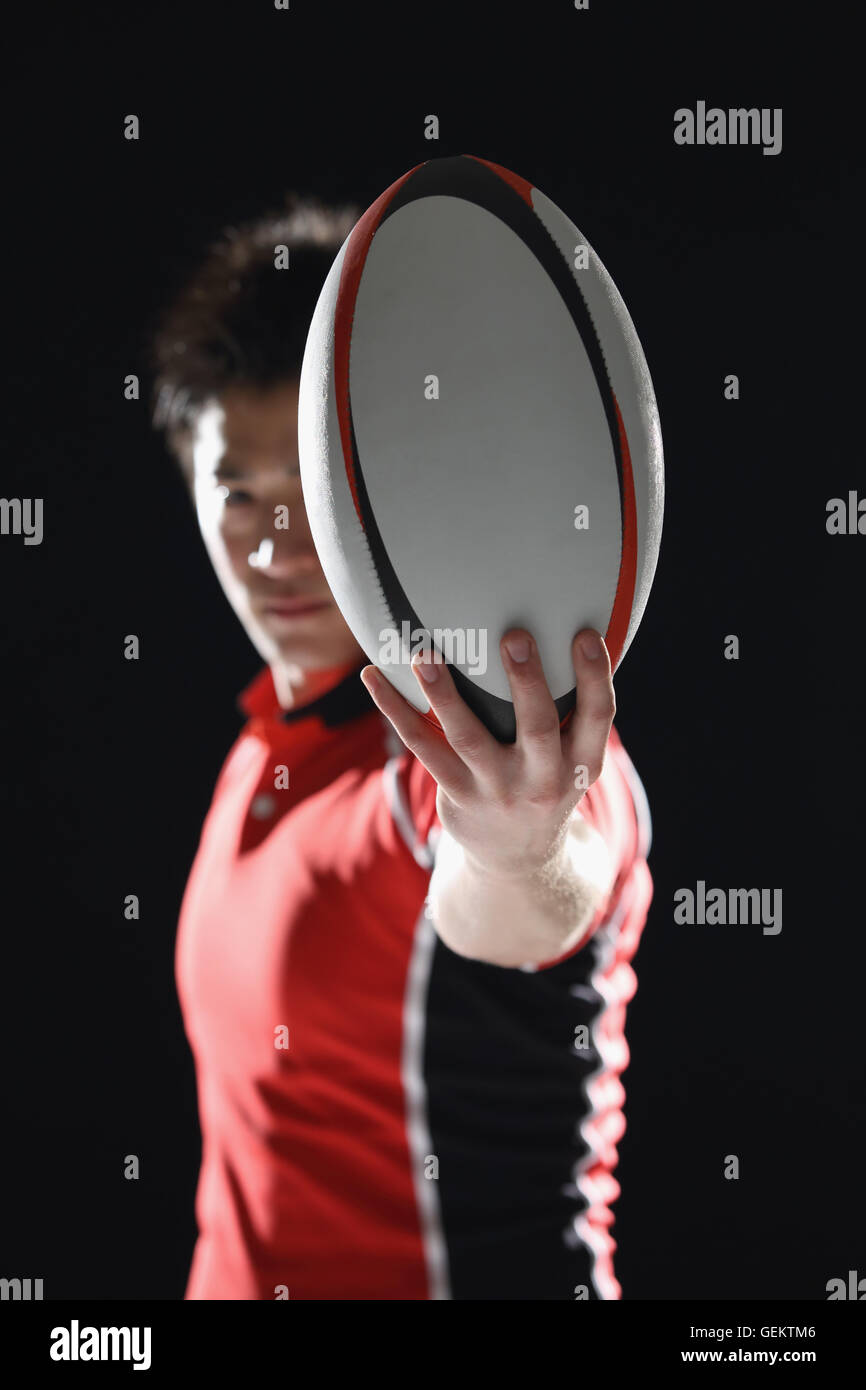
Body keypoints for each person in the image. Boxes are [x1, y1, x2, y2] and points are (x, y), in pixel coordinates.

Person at [151, 193, 655, 1301]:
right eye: (239, 494)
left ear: (391, 491)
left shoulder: (465, 759)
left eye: (314, 495)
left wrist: (521, 850)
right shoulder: (261, 755)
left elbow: (547, 871)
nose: (277, 547)